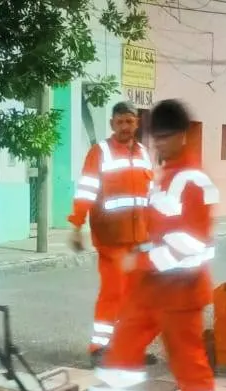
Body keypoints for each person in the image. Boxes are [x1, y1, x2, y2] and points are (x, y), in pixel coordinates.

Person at [84, 99, 223, 391]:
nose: (158, 144)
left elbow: (190, 246)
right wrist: (142, 255)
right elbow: (158, 231)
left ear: (182, 136)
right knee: (121, 348)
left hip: (180, 292)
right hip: (151, 288)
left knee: (189, 367)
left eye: (165, 138)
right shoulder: (164, 173)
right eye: (155, 137)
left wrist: (141, 260)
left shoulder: (194, 181)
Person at [68, 102, 156, 365]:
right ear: (112, 124)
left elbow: (151, 194)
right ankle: (100, 347)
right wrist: (76, 224)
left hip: (140, 239)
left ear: (137, 123)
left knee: (136, 297)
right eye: (119, 122)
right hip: (111, 238)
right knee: (114, 293)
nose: (124, 127)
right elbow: (86, 190)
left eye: (129, 122)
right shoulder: (100, 152)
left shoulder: (143, 153)